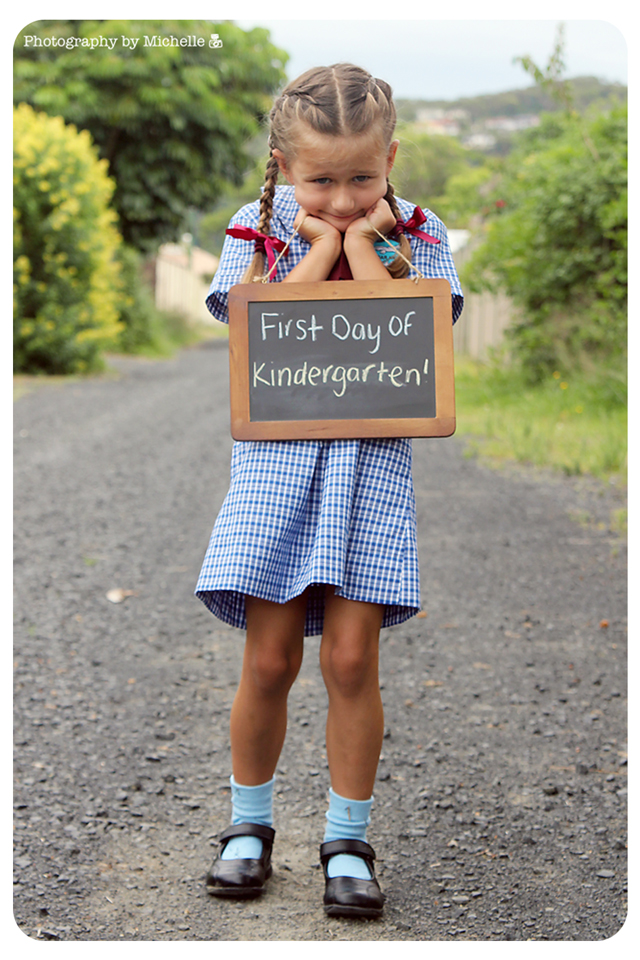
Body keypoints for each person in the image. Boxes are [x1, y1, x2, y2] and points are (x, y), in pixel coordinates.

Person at [195, 63, 463, 919]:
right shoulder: (253, 229)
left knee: (351, 660)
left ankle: (348, 839)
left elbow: (416, 330)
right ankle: (248, 826)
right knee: (269, 659)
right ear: (283, 164)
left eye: (362, 178)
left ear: (391, 159)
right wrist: (318, 249)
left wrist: (357, 249)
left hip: (370, 471)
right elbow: (255, 329)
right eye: (321, 181)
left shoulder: (418, 233)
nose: (344, 199)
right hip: (275, 471)